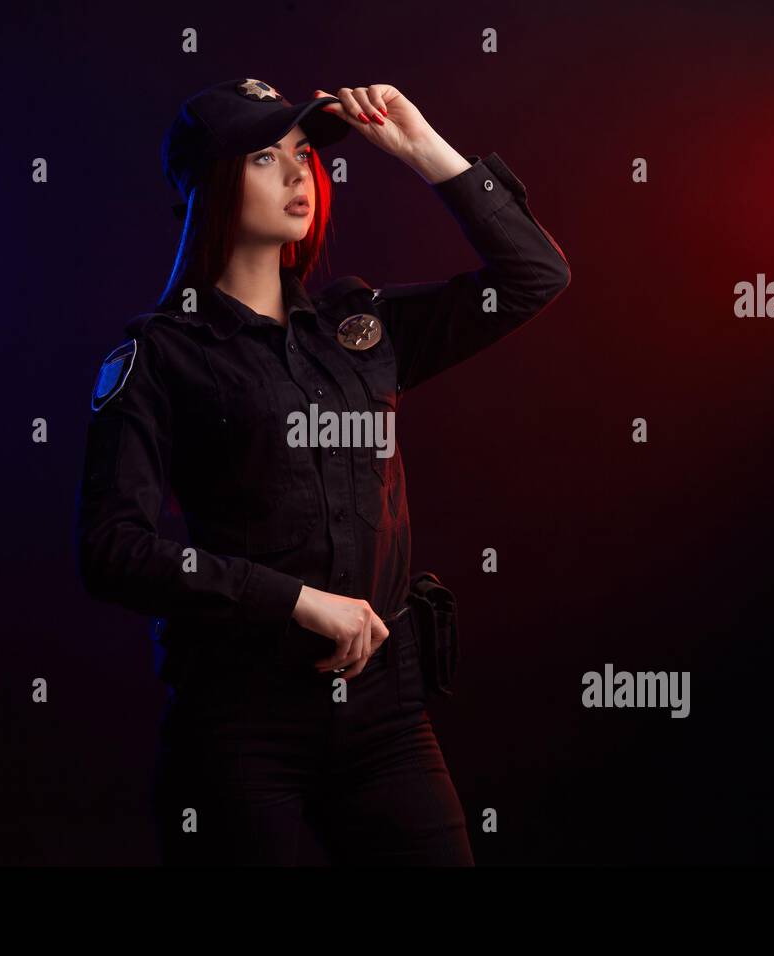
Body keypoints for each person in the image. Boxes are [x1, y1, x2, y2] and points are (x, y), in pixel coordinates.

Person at [76, 77, 571, 865]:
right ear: (207, 184)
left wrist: (419, 146)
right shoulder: (160, 355)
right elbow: (113, 548)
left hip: (388, 717)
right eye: (267, 156)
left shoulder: (359, 327)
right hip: (243, 727)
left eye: (305, 155)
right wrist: (297, 602)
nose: (299, 174)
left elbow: (534, 277)